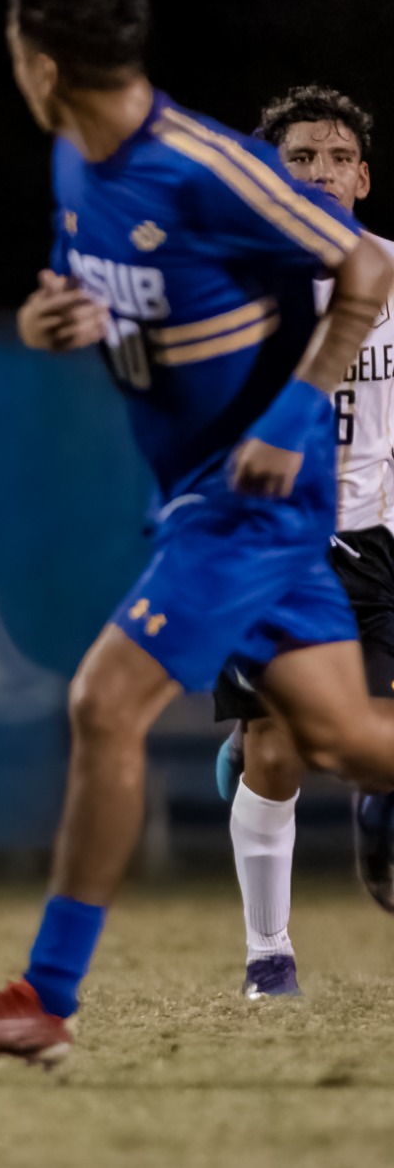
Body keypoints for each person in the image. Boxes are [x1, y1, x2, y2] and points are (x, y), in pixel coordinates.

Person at [0, 0, 394, 1068]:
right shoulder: (76, 161)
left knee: (103, 703)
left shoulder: (204, 167)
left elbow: (362, 268)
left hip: (248, 505)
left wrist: (292, 413)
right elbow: (80, 289)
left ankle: (43, 998)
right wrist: (48, 321)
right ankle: (58, 996)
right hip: (201, 494)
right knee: (339, 738)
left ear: (42, 64)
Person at [212, 85, 394, 999]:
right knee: (277, 753)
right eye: (301, 158)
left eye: (338, 158)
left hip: (378, 545)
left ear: (363, 177)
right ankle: (268, 958)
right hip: (274, 545)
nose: (321, 171)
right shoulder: (237, 285)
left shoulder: (391, 271)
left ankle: (376, 802)